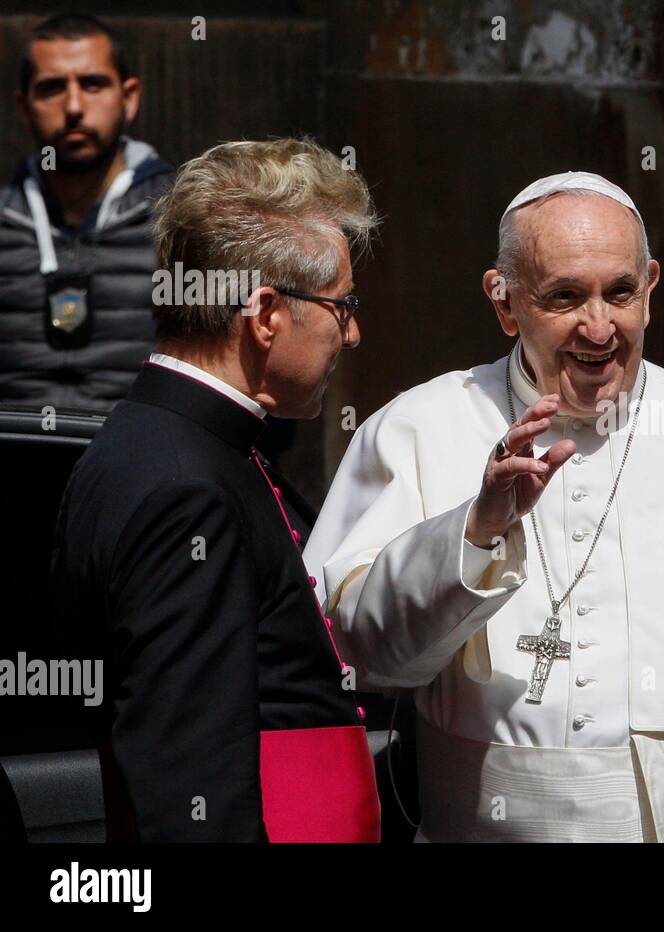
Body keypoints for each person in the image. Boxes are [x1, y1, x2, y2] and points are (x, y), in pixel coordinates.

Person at [304, 171, 664, 842]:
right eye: (564, 296)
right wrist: (478, 532)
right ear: (505, 304)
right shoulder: (417, 428)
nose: (599, 326)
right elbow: (369, 655)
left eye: (620, 292)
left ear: (650, 288)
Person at [53, 137, 382, 842]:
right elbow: (187, 788)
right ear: (267, 315)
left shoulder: (175, 445)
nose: (350, 334)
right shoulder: (186, 488)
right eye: (341, 306)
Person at [0, 13, 172, 411]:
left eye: (92, 84)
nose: (74, 106)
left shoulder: (183, 223)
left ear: (129, 98)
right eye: (52, 88)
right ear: (24, 108)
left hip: (139, 467)